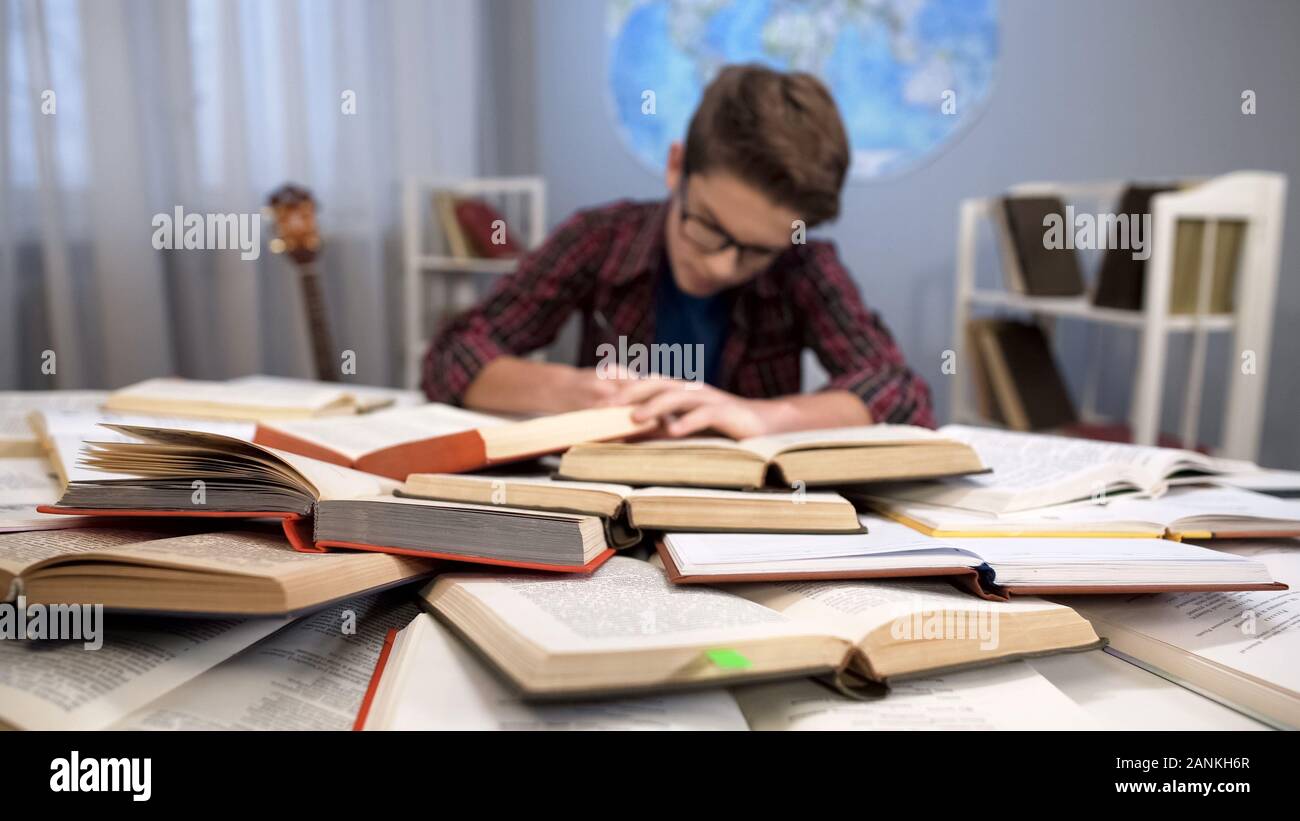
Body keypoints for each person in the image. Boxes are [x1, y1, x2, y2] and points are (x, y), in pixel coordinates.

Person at [423, 64, 934, 438]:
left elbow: (901, 393)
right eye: (708, 227)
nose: (722, 266)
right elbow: (452, 356)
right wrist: (567, 390)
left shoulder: (804, 264)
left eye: (757, 251)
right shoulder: (599, 239)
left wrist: (767, 417)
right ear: (676, 167)